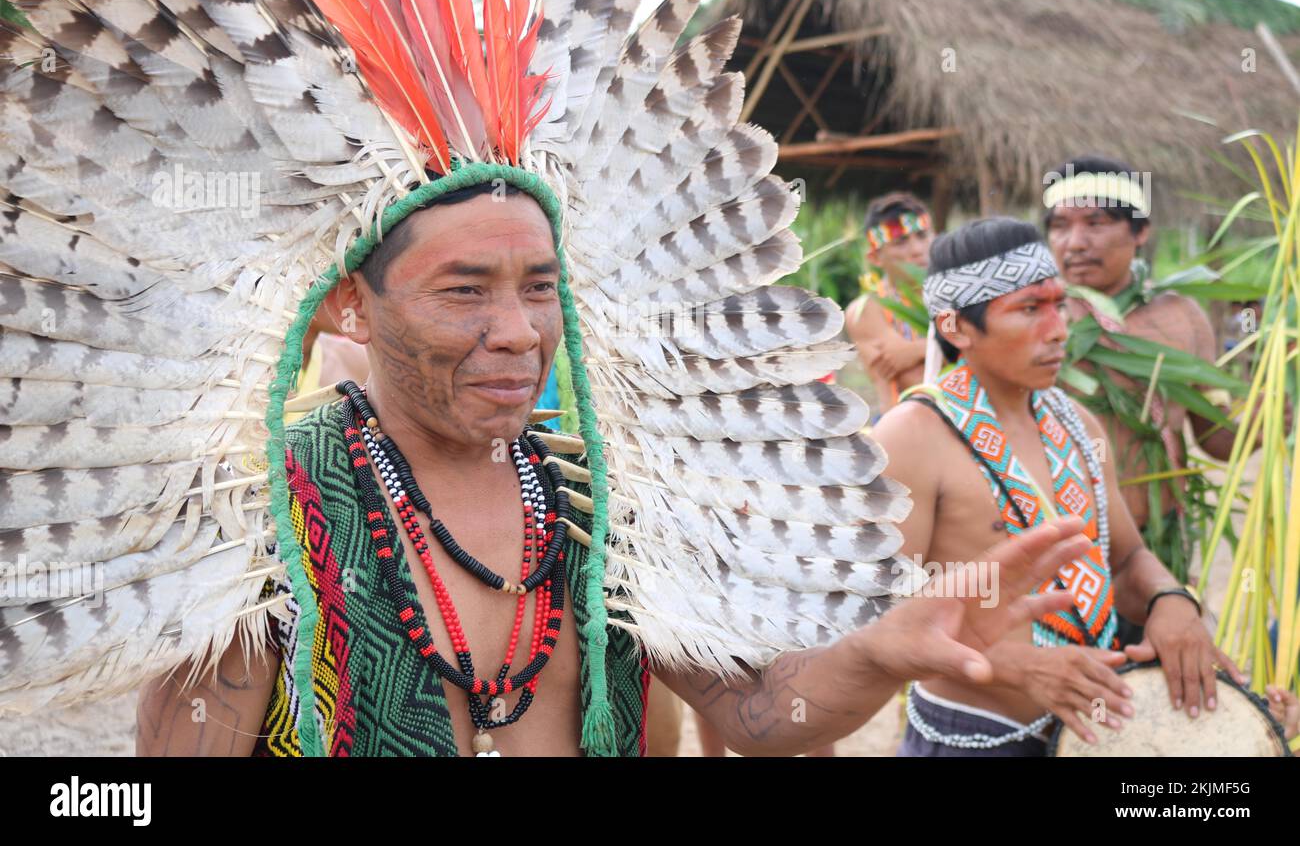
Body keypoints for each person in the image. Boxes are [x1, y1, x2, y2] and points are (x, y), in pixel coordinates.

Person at [135, 185, 1092, 756]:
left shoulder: (599, 506)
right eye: (463, 291)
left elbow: (756, 713)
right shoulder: (264, 521)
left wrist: (882, 652)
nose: (516, 333)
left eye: (539, 288)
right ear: (353, 306)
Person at [872, 217, 1243, 756]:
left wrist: (1169, 599)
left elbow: (1125, 556)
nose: (1058, 328)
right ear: (955, 327)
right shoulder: (912, 437)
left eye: (1058, 304)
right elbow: (881, 619)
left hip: (1088, 732)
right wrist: (1014, 665)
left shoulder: (1076, 424)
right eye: (1029, 309)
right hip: (972, 738)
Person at [1043, 156, 1237, 567]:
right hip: (1057, 546)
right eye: (1060, 226)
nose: (1074, 243)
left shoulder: (1182, 316)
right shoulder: (1037, 317)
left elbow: (1216, 439)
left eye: (1095, 223)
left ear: (1140, 231)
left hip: (1158, 543)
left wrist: (1268, 415)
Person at [845, 192, 933, 412]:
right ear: (875, 258)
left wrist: (919, 349)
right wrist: (951, 344)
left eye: (922, 235)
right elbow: (915, 380)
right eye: (901, 242)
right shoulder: (868, 310)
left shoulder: (952, 294)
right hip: (907, 429)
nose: (917, 250)